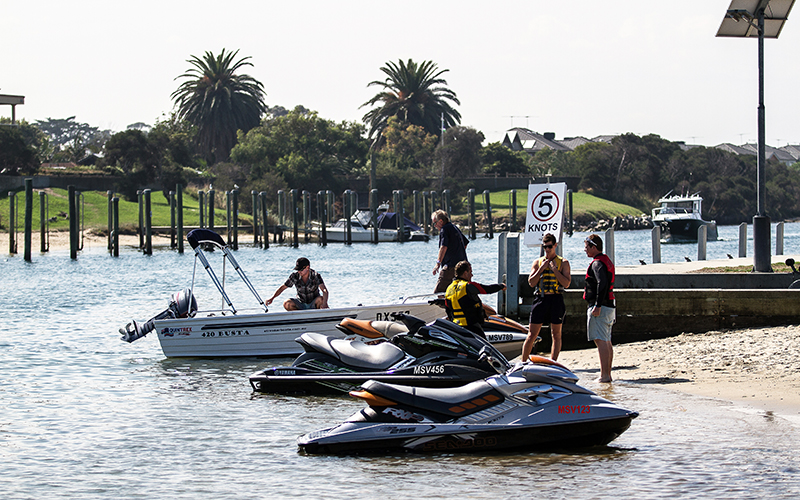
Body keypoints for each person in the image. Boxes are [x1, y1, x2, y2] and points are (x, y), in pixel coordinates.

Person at [521, 233, 571, 362]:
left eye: (549, 246)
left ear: (555, 245)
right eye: (545, 247)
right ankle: (523, 362)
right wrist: (541, 269)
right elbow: (531, 282)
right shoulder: (537, 262)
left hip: (556, 299)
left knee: (556, 334)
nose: (547, 250)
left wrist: (555, 270)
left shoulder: (563, 263)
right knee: (532, 334)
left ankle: (553, 362)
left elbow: (566, 283)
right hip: (541, 299)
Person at [583, 234, 616, 383]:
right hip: (609, 306)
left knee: (600, 340)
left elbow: (602, 283)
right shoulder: (605, 261)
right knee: (606, 340)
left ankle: (604, 376)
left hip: (601, 308)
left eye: (586, 247)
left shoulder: (597, 263)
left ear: (593, 247)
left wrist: (597, 305)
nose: (585, 250)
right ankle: (607, 374)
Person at [444, 260, 506, 338]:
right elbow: (487, 289)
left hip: (457, 327)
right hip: (472, 326)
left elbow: (448, 309)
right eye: (470, 272)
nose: (472, 275)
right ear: (465, 273)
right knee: (484, 347)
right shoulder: (468, 286)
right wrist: (501, 286)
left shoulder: (449, 289)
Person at [431, 209, 469, 293]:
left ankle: (444, 306)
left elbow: (443, 247)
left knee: (439, 292)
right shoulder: (454, 227)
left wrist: (438, 263)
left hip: (451, 266)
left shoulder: (444, 229)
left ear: (441, 221)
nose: (434, 226)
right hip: (463, 265)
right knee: (457, 292)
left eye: (435, 223)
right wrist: (457, 254)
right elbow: (465, 243)